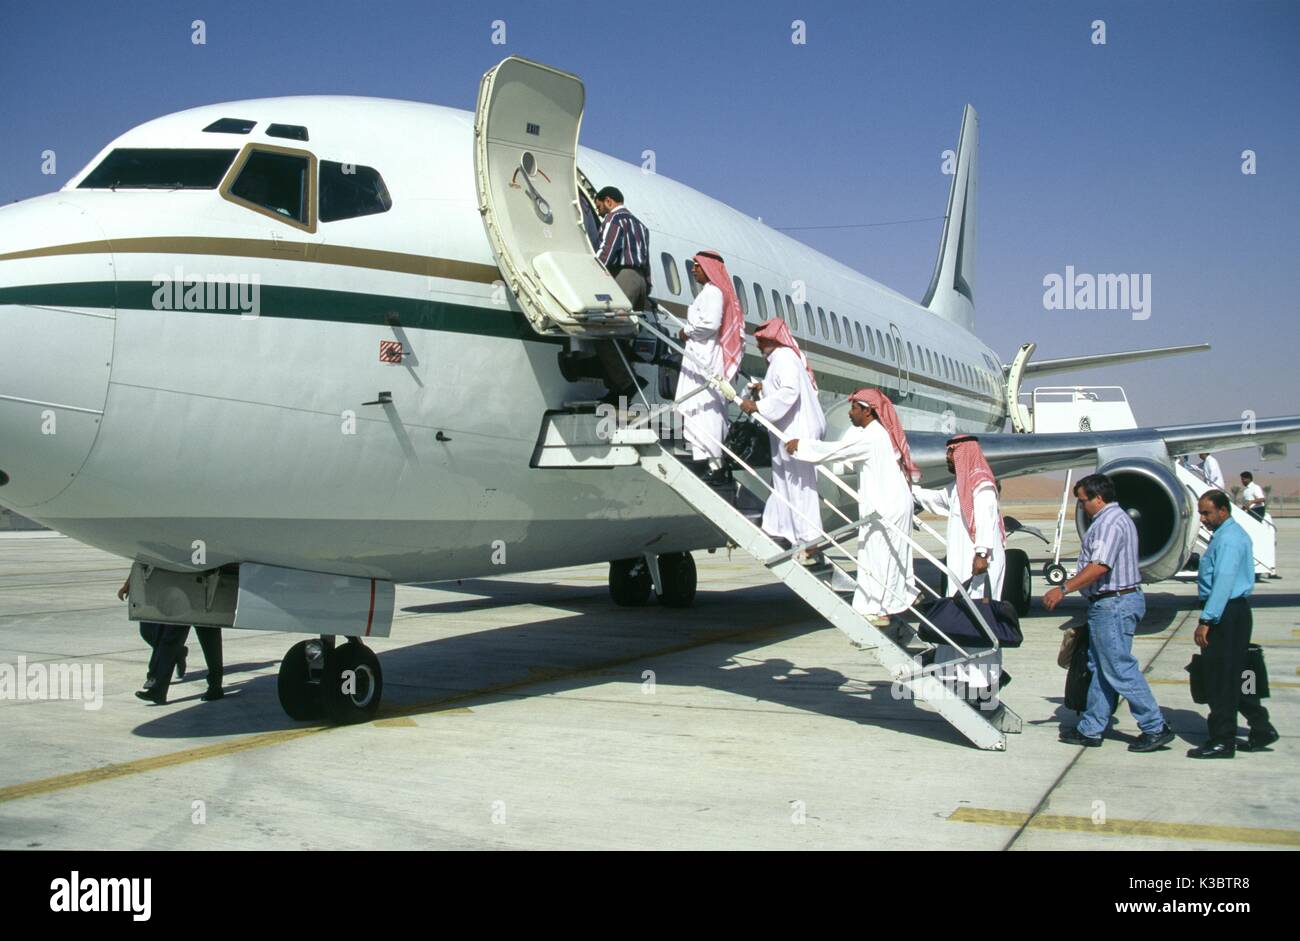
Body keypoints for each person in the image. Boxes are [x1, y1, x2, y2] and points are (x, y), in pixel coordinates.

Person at [1044, 473, 1174, 752]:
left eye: (1083, 501)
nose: (1081, 507)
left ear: (1098, 498)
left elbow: (1099, 566)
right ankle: (1091, 728)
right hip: (1111, 603)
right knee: (1101, 668)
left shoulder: (1109, 524)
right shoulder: (1112, 520)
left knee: (1119, 668)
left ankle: (1155, 725)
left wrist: (1063, 589)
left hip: (1114, 605)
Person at [786, 388, 917, 625]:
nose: (850, 413)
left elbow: (835, 451)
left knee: (875, 555)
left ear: (867, 411)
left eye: (854, 409)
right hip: (896, 502)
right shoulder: (882, 434)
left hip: (885, 505)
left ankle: (876, 609)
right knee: (893, 557)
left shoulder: (869, 436)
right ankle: (898, 600)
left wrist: (800, 446)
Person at [1188, 490, 1278, 758]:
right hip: (1232, 611)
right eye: (1201, 513)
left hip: (1225, 612)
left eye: (1207, 513)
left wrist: (1206, 620)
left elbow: (1224, 582)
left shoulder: (1228, 540)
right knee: (1237, 674)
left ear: (1223, 511)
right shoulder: (1230, 535)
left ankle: (1222, 740)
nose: (1203, 518)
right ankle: (1261, 728)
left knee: (1220, 679)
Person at [738, 318, 827, 563]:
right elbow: (780, 388)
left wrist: (757, 405)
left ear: (772, 339)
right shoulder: (780, 360)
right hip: (788, 432)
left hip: (799, 431)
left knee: (800, 486)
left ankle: (809, 541)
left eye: (761, 341)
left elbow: (789, 391)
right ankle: (780, 529)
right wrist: (762, 388)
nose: (758, 346)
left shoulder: (785, 357)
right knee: (784, 484)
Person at [675, 250, 744, 484]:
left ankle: (715, 464)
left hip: (706, 357)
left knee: (708, 409)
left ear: (709, 268)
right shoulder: (707, 293)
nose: (693, 270)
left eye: (697, 266)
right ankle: (704, 459)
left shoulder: (714, 292)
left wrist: (687, 331)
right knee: (698, 407)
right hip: (699, 355)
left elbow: (711, 324)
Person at [913, 436, 1005, 599]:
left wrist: (982, 555)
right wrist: (909, 488)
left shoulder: (982, 486)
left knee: (980, 605)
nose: (947, 456)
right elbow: (937, 499)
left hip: (979, 560)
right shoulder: (959, 486)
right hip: (963, 558)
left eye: (952, 451)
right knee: (962, 604)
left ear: (965, 454)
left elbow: (985, 521)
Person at [119, 574, 224, 704]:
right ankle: (158, 688)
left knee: (208, 639)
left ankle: (215, 685)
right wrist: (130, 582)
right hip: (178, 585)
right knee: (165, 637)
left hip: (204, 584)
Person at [592, 186, 652, 405]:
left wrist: (589, 276)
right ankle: (616, 389)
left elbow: (605, 253)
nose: (598, 211)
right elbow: (646, 261)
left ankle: (627, 383)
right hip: (641, 281)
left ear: (608, 201)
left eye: (598, 205)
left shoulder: (614, 220)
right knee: (622, 335)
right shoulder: (640, 225)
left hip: (624, 277)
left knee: (604, 331)